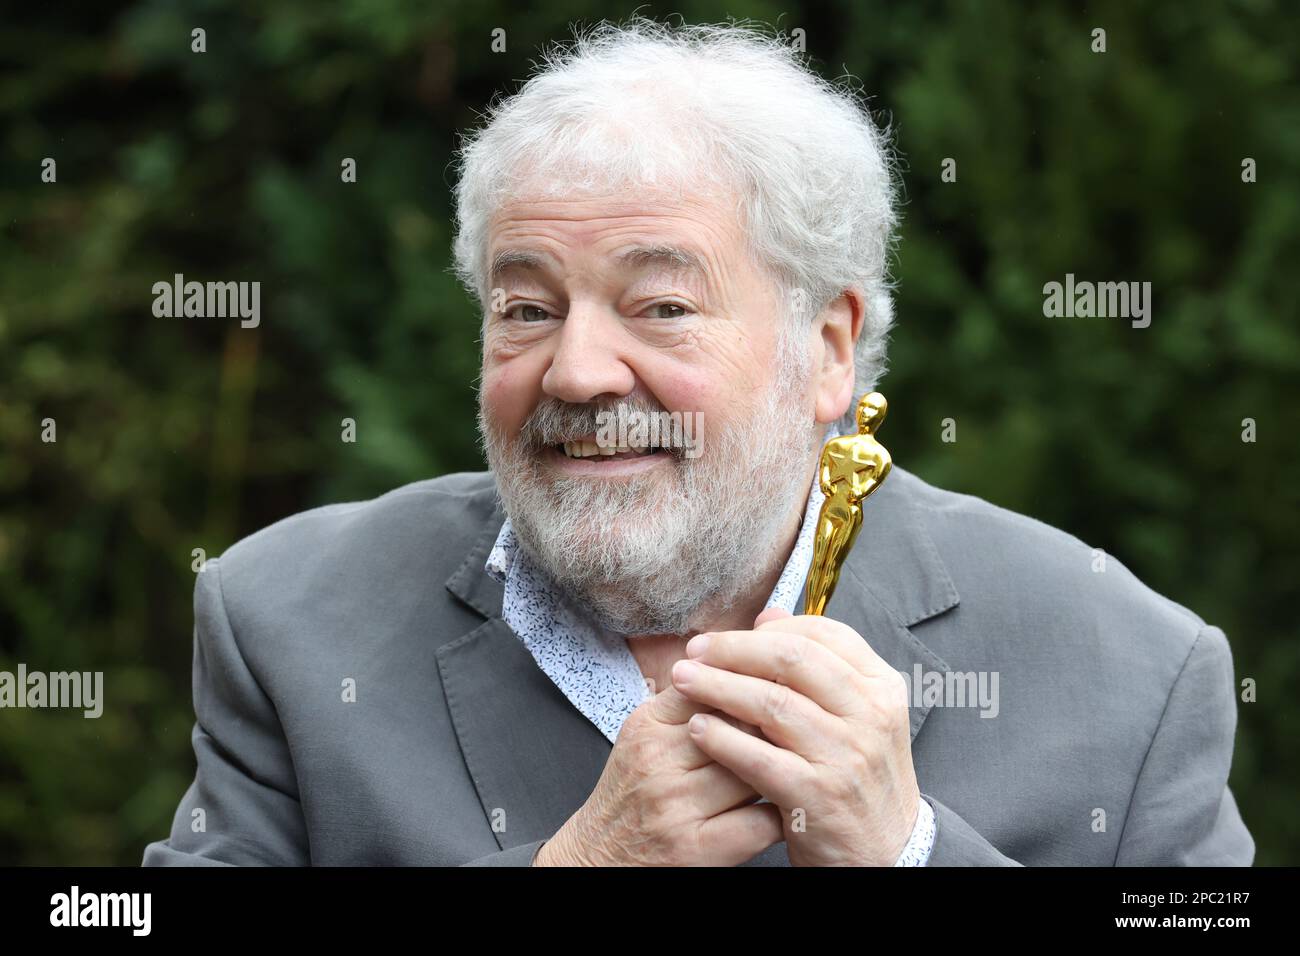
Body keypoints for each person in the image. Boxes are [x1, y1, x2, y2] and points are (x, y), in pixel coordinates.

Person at [143, 18, 1253, 867]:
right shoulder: (287, 623)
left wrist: (910, 853)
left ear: (825, 347)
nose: (574, 371)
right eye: (526, 307)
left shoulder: (1129, 670)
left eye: (661, 305)